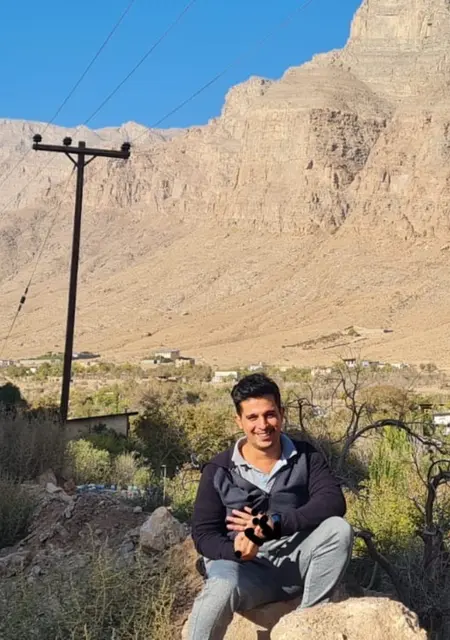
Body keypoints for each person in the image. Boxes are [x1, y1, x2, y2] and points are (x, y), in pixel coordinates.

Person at [187, 373, 353, 640]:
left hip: (294, 564)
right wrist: (237, 549)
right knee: (219, 589)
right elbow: (203, 535)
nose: (262, 425)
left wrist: (273, 524)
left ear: (281, 414)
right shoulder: (219, 469)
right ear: (239, 420)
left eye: (270, 415)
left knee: (338, 529)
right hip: (243, 569)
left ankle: (304, 626)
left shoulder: (306, 456)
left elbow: (332, 501)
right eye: (252, 417)